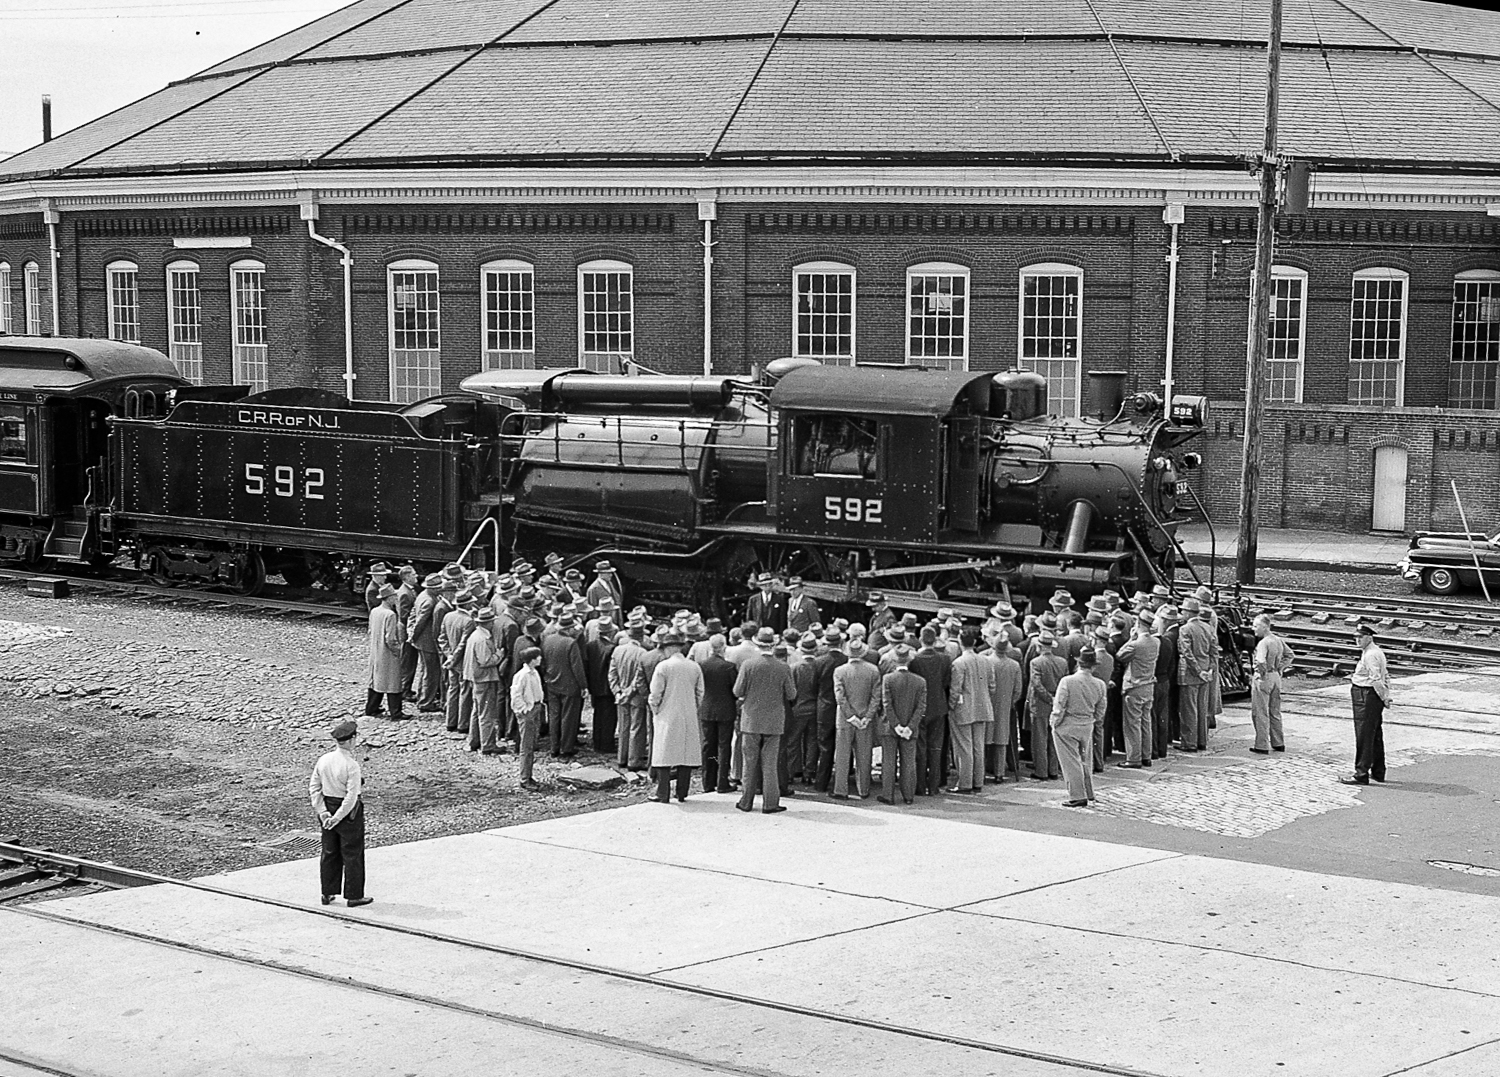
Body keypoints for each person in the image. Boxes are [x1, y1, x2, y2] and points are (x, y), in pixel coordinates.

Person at [734, 626, 796, 814]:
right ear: (774, 644)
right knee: (770, 764)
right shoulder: (783, 667)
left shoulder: (748, 665)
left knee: (749, 762)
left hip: (751, 719)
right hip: (774, 720)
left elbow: (737, 691)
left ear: (757, 643)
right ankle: (770, 803)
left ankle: (746, 801)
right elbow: (792, 694)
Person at [309, 720, 372, 907]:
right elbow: (352, 795)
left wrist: (323, 812)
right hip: (348, 813)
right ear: (352, 740)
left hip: (327, 805)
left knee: (329, 851)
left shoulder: (324, 760)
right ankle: (354, 895)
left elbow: (314, 787)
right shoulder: (351, 765)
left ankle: (327, 892)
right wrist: (338, 817)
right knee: (352, 852)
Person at [647, 633, 704, 802]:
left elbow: (655, 693)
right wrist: (693, 708)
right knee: (685, 754)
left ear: (669, 648)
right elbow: (700, 693)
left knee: (664, 754)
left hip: (666, 713)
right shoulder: (694, 667)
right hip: (688, 713)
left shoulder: (663, 667)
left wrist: (655, 709)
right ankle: (682, 792)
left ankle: (662, 793)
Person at [1052, 649, 1108, 807]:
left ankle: (1077, 795)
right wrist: (1093, 720)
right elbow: (1101, 708)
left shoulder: (1067, 681)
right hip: (1087, 724)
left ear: (1078, 663)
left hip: (1067, 724)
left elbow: (1060, 705)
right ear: (1093, 666)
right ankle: (1089, 791)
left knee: (1070, 762)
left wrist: (1055, 722)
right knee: (1085, 760)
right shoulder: (1100, 684)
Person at [1340, 624, 1390, 786]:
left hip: (1366, 695)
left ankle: (1361, 773)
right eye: (1356, 637)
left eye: (1360, 637)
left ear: (1369, 637)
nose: (1357, 640)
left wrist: (1384, 697)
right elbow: (1385, 675)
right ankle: (1378, 771)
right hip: (1370, 696)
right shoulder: (1375, 652)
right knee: (1375, 734)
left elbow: (1376, 679)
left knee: (1364, 734)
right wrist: (1385, 695)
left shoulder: (1370, 655)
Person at [832, 638, 881, 799]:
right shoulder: (873, 670)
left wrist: (851, 716)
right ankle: (863, 790)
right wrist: (867, 716)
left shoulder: (840, 671)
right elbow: (876, 697)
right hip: (865, 718)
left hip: (845, 719)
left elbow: (840, 697)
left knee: (842, 756)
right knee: (864, 756)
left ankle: (840, 790)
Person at [947, 628, 995, 794]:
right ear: (975, 642)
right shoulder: (986, 661)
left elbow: (955, 689)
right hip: (982, 707)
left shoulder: (958, 663)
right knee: (978, 746)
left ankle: (965, 783)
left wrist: (951, 706)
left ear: (960, 641)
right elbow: (992, 686)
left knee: (964, 747)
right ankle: (977, 781)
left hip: (964, 708)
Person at [908, 626, 953, 795]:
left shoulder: (915, 660)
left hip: (921, 708)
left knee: (920, 748)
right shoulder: (945, 659)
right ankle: (934, 786)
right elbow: (946, 682)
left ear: (920, 639)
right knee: (936, 748)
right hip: (939, 706)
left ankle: (920, 785)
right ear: (935, 640)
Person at [878, 644, 925, 804]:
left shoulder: (887, 679)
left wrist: (896, 725)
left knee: (889, 761)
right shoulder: (920, 682)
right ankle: (908, 796)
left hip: (889, 727)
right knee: (909, 762)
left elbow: (887, 704)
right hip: (911, 728)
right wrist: (910, 726)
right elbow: (921, 707)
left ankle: (887, 795)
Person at [541, 609, 587, 758]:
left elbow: (543, 662)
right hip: (569, 686)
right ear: (569, 628)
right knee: (568, 717)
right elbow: (577, 667)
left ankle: (554, 747)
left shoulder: (547, 639)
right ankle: (566, 747)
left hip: (552, 683)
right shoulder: (571, 643)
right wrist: (583, 686)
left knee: (554, 716)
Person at [1115, 618, 1160, 768]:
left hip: (1134, 686)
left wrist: (1131, 639)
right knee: (1145, 722)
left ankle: (1134, 758)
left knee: (1132, 724)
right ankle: (1146, 755)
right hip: (1148, 685)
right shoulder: (1156, 642)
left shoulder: (1135, 645)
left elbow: (1120, 656)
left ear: (1138, 625)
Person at [698, 634, 739, 793]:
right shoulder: (729, 667)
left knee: (708, 746)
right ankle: (722, 782)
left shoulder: (702, 665)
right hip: (725, 710)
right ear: (723, 647)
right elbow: (735, 690)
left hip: (707, 709)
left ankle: (707, 782)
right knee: (724, 746)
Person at [463, 608, 506, 756]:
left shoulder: (476, 635)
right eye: (492, 621)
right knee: (486, 713)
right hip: (484, 678)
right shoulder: (482, 639)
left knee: (477, 711)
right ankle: (488, 745)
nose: (494, 624)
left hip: (476, 678)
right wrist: (499, 655)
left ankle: (474, 741)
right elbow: (485, 661)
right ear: (487, 623)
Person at [1250, 614, 1295, 754]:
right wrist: (1280, 667)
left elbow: (1261, 661)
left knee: (1260, 712)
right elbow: (1290, 655)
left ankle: (1261, 745)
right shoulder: (1278, 640)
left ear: (1264, 627)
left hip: (1264, 678)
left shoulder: (1263, 643)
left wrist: (1262, 673)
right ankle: (1278, 742)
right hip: (1276, 676)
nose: (1253, 629)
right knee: (1275, 711)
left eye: (1256, 626)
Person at [811, 629, 848, 791]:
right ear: (840, 643)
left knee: (825, 746)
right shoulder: (847, 661)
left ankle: (821, 782)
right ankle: (844, 780)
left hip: (824, 707)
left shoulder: (819, 662)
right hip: (844, 708)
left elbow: (813, 686)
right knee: (846, 747)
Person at [1176, 598, 1214, 752]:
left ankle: (1189, 742)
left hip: (1190, 674)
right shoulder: (1208, 627)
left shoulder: (1185, 629)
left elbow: (1187, 653)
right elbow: (1214, 651)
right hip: (1205, 673)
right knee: (1201, 707)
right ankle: (1202, 740)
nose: (1182, 612)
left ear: (1189, 612)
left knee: (1189, 709)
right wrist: (1208, 670)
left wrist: (1198, 671)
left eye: (1183, 610)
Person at [1027, 631, 1066, 780]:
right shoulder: (1062, 662)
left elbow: (1036, 684)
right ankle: (1053, 770)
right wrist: (1057, 699)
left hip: (1041, 703)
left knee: (1040, 739)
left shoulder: (1036, 662)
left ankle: (1041, 771)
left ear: (1040, 646)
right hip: (1058, 701)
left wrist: (1049, 699)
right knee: (1054, 738)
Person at [610, 625, 649, 770]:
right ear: (641, 637)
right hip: (636, 696)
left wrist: (617, 692)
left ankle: (622, 758)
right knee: (637, 728)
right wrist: (628, 693)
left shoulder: (618, 650)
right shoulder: (642, 653)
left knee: (623, 727)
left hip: (620, 697)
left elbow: (612, 674)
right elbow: (638, 679)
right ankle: (634, 761)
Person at [364, 583, 406, 720]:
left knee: (376, 680)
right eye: (394, 597)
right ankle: (396, 712)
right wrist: (398, 651)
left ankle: (371, 708)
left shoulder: (375, 611)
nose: (396, 599)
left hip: (376, 652)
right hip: (387, 654)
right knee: (393, 682)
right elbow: (390, 638)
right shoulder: (390, 615)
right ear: (389, 598)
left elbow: (370, 630)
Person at [984, 635, 1023, 782]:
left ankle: (982, 772)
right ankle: (999, 773)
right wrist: (1011, 702)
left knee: (985, 738)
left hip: (988, 704)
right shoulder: (1014, 665)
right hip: (1005, 705)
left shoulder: (987, 662)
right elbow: (1018, 689)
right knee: (1001, 739)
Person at [406, 573, 445, 712]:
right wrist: (413, 635)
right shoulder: (430, 601)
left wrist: (411, 633)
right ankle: (426, 702)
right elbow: (421, 622)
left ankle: (423, 697)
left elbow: (412, 614)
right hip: (427, 642)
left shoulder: (422, 595)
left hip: (422, 642)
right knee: (431, 673)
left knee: (425, 671)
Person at [440, 594, 476, 735]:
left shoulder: (448, 616)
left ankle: (450, 721)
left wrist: (448, 656)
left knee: (453, 689)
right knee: (465, 691)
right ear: (467, 605)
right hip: (463, 662)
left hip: (451, 661)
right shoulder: (469, 621)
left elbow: (442, 638)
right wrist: (454, 658)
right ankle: (463, 724)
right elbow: (463, 644)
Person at [510, 646, 545, 791]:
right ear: (532, 660)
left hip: (535, 708)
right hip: (528, 712)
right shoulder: (522, 675)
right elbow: (516, 695)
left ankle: (528, 775)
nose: (540, 659)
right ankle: (524, 778)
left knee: (531, 744)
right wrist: (524, 710)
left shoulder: (533, 672)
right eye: (538, 657)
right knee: (526, 746)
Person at [1152, 605, 1180, 758]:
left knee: (1154, 716)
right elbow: (1172, 665)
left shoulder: (1166, 638)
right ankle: (1162, 747)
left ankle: (1155, 749)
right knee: (1164, 715)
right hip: (1166, 680)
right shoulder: (1169, 640)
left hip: (1157, 681)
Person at [395, 565, 419, 700]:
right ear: (407, 577)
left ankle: (407, 688)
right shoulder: (405, 593)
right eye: (414, 575)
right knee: (408, 660)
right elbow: (404, 615)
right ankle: (405, 690)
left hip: (407, 628)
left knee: (410, 660)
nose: (416, 577)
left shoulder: (409, 590)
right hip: (406, 630)